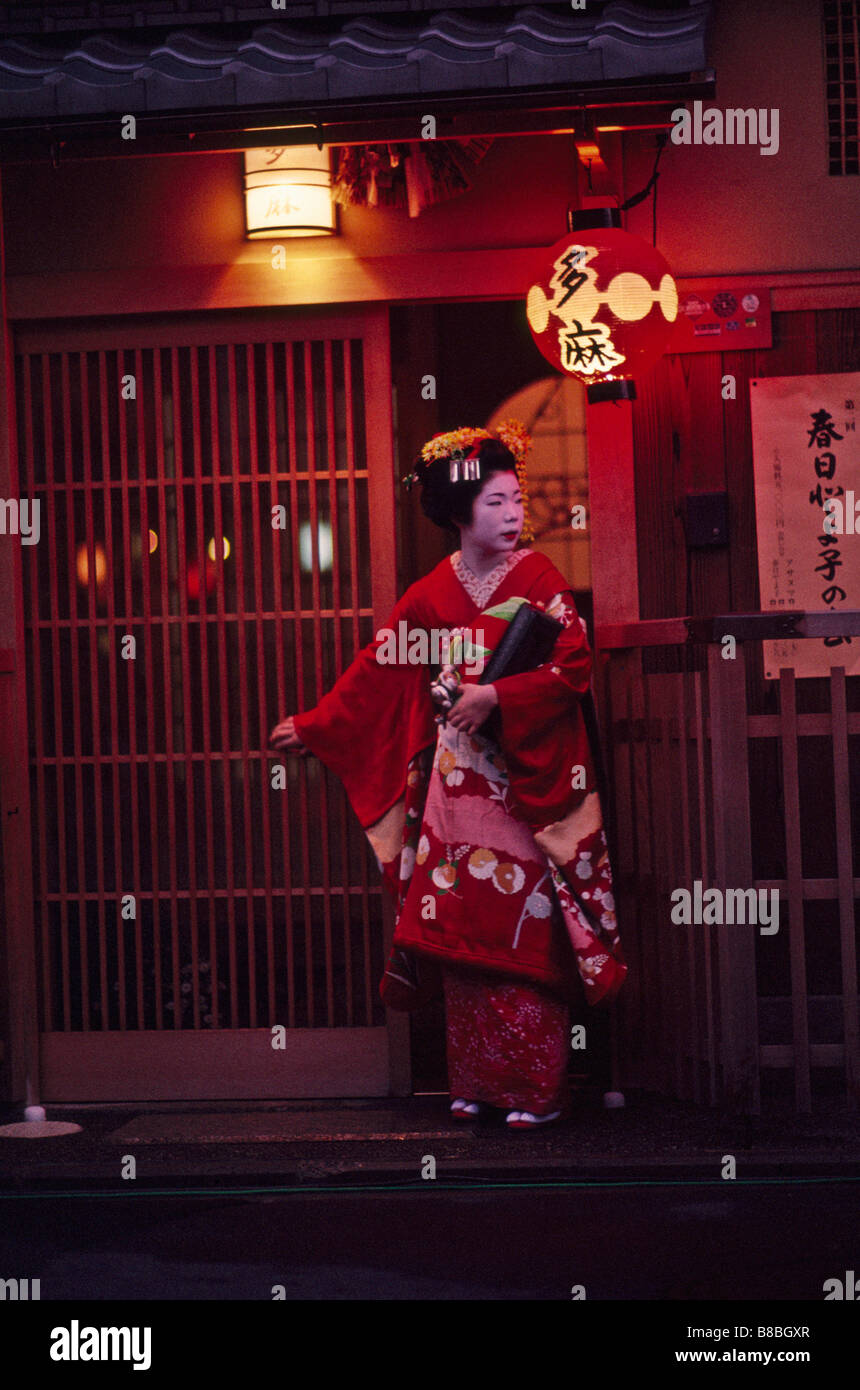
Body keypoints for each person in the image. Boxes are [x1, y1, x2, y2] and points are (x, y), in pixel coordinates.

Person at [268, 419, 625, 1130]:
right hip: (458, 780)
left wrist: (497, 695)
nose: (513, 513)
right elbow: (381, 666)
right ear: (459, 511)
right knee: (462, 924)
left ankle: (534, 1088)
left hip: (523, 780)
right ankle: (477, 1081)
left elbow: (574, 666)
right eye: (494, 502)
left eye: (516, 499)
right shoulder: (432, 592)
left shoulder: (540, 579)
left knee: (524, 921)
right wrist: (315, 725)